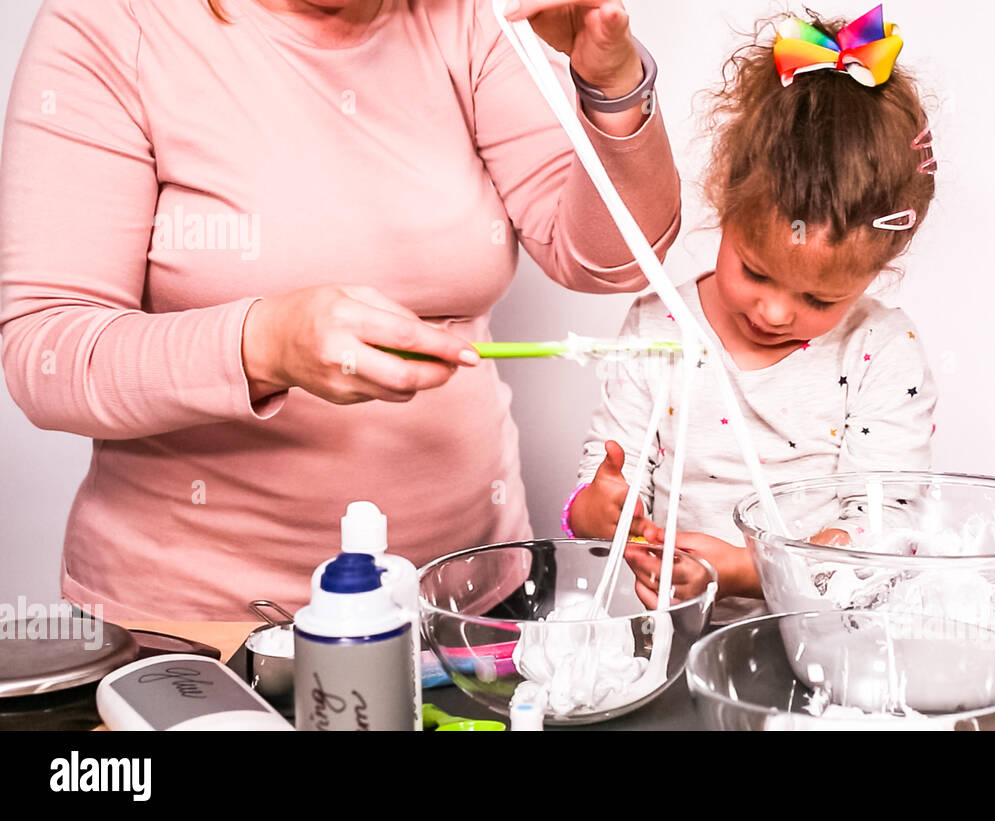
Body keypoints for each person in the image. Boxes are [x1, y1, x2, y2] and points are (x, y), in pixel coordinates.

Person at [0, 0, 681, 620]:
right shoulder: (111, 24)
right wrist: (264, 344)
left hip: (466, 603)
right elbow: (48, 350)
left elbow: (614, 260)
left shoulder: (468, 15)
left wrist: (611, 87)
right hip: (200, 632)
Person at [563, 7, 938, 618]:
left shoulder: (882, 351)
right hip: (674, 651)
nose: (774, 311)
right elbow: (596, 490)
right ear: (725, 198)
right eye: (756, 271)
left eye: (820, 299)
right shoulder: (658, 327)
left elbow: (882, 536)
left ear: (878, 270)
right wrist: (601, 507)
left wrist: (744, 569)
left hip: (824, 650)